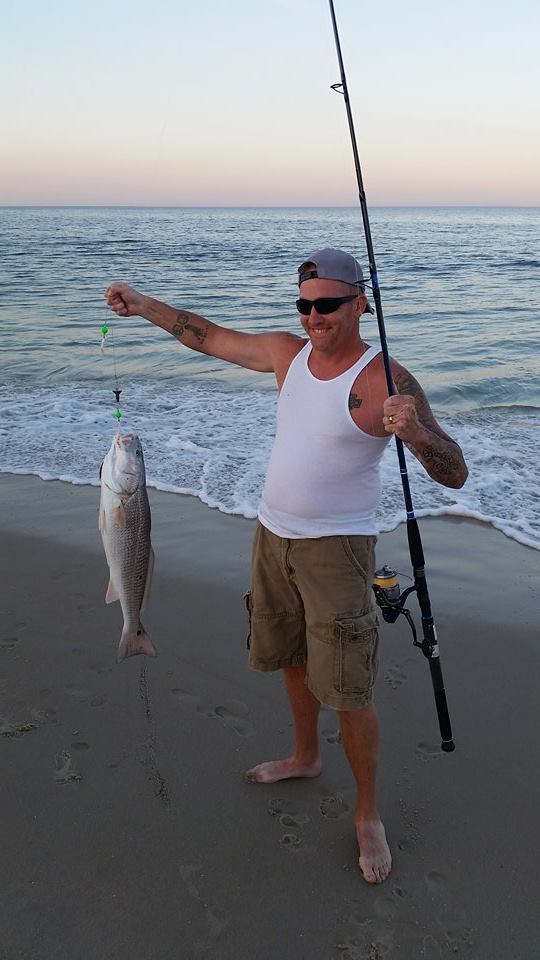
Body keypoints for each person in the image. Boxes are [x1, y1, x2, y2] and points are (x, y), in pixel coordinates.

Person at [105, 247, 468, 884]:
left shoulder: (383, 381)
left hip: (338, 552)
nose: (313, 317)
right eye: (304, 305)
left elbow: (454, 471)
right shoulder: (288, 355)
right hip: (272, 536)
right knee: (292, 656)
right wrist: (142, 306)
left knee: (349, 689)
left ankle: (367, 813)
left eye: (327, 304)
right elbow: (209, 336)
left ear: (361, 303)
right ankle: (305, 756)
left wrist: (417, 435)